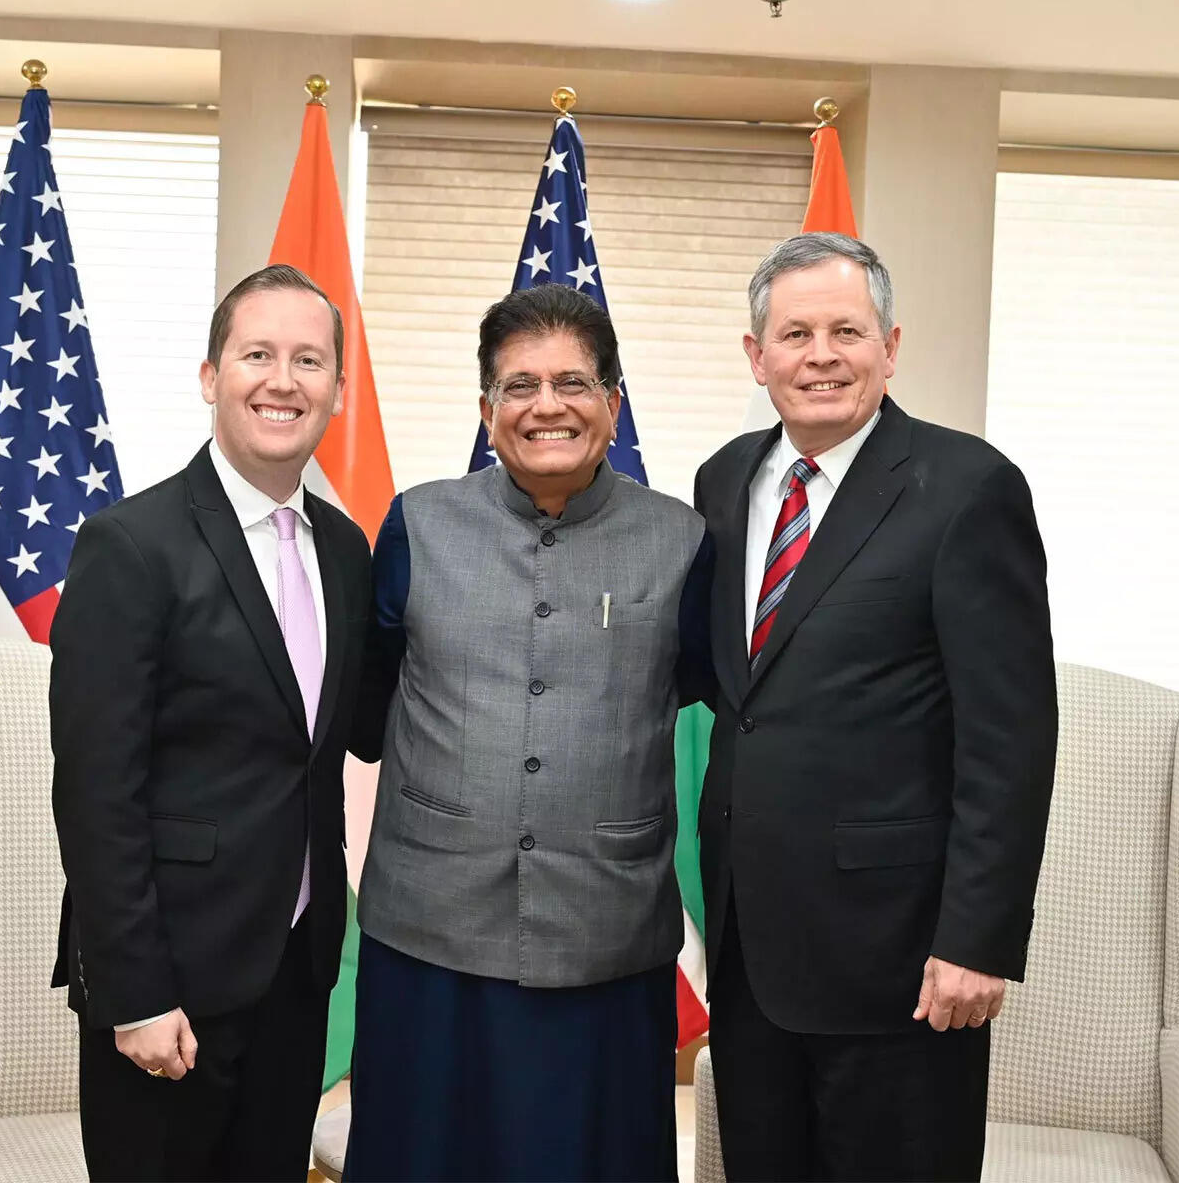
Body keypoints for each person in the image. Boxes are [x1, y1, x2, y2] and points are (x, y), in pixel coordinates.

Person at [693, 233, 1058, 1182]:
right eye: (796, 332)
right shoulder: (724, 482)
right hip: (748, 948)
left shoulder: (968, 488)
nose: (821, 355)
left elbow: (1009, 738)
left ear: (890, 346)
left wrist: (976, 943)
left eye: (846, 330)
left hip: (899, 966)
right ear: (756, 355)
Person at [343, 283, 713, 1182]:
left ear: (612, 404)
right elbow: (365, 700)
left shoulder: (685, 541)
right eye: (519, 386)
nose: (547, 405)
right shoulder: (418, 524)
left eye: (574, 382)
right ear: (486, 410)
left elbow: (706, 690)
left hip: (606, 938)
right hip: (429, 932)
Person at [48, 264, 371, 1181]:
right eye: (257, 354)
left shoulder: (346, 552)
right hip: (172, 987)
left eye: (309, 360)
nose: (284, 380)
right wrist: (134, 992)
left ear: (338, 391)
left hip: (298, 975)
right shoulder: (132, 544)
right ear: (210, 377)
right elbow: (96, 792)